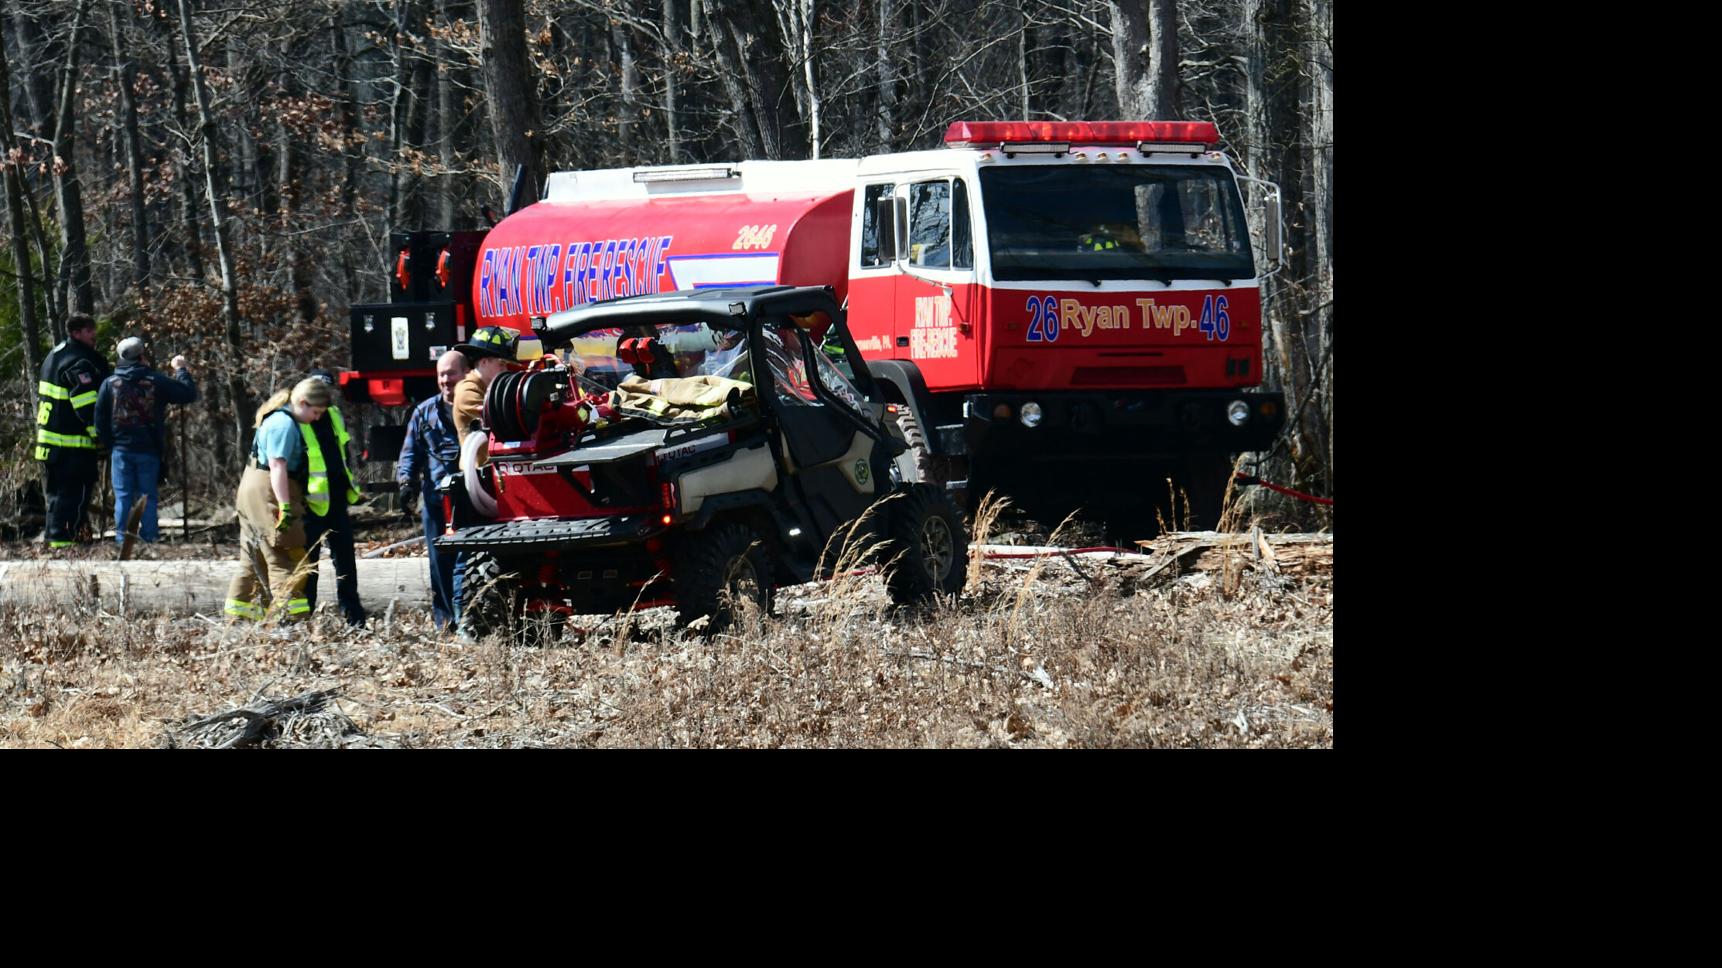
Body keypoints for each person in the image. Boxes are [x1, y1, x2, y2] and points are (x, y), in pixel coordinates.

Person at [224, 378, 330, 623]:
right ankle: (291, 622)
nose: (316, 418)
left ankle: (239, 620)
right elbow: (277, 466)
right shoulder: (284, 425)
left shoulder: (278, 419)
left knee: (253, 559)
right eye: (315, 412)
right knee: (287, 557)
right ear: (302, 402)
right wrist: (284, 505)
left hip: (252, 490)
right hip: (269, 493)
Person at [95, 337, 198, 545]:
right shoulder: (156, 381)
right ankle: (150, 538)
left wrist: (110, 444)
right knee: (147, 496)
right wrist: (181, 370)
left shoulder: (109, 384)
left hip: (120, 449)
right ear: (141, 356)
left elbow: (99, 419)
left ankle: (122, 540)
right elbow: (187, 394)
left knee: (123, 496)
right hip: (148, 448)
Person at [397, 350, 469, 631]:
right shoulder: (424, 412)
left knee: (469, 560)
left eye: (451, 373)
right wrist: (406, 483)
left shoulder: (478, 406)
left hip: (473, 499)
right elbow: (409, 453)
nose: (445, 380)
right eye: (441, 374)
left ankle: (471, 618)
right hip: (437, 502)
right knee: (439, 564)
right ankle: (446, 624)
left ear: (465, 373)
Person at [35, 313, 112, 548]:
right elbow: (86, 405)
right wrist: (100, 437)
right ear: (76, 333)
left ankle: (59, 540)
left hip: (51, 445)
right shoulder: (78, 361)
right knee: (73, 496)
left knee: (58, 498)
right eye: (89, 331)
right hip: (71, 445)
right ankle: (65, 544)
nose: (94, 335)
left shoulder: (55, 355)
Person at [299, 369, 367, 628]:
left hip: (336, 499)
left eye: (326, 392)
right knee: (309, 565)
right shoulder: (299, 418)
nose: (323, 397)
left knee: (346, 562)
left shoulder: (335, 414)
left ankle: (354, 619)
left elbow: (343, 453)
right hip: (311, 503)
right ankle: (304, 619)